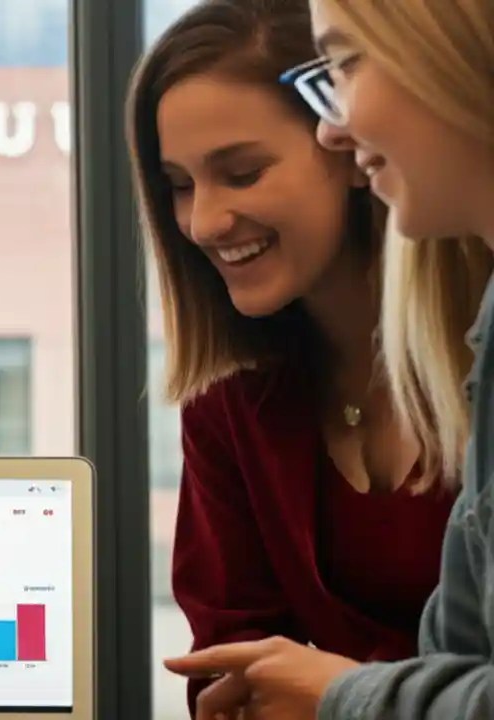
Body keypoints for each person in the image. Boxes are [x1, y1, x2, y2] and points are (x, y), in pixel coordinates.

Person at [128, 0, 492, 713]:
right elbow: (232, 682)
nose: (203, 222)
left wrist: (335, 696)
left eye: (242, 172)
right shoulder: (233, 403)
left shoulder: (477, 345)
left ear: (348, 149)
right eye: (179, 186)